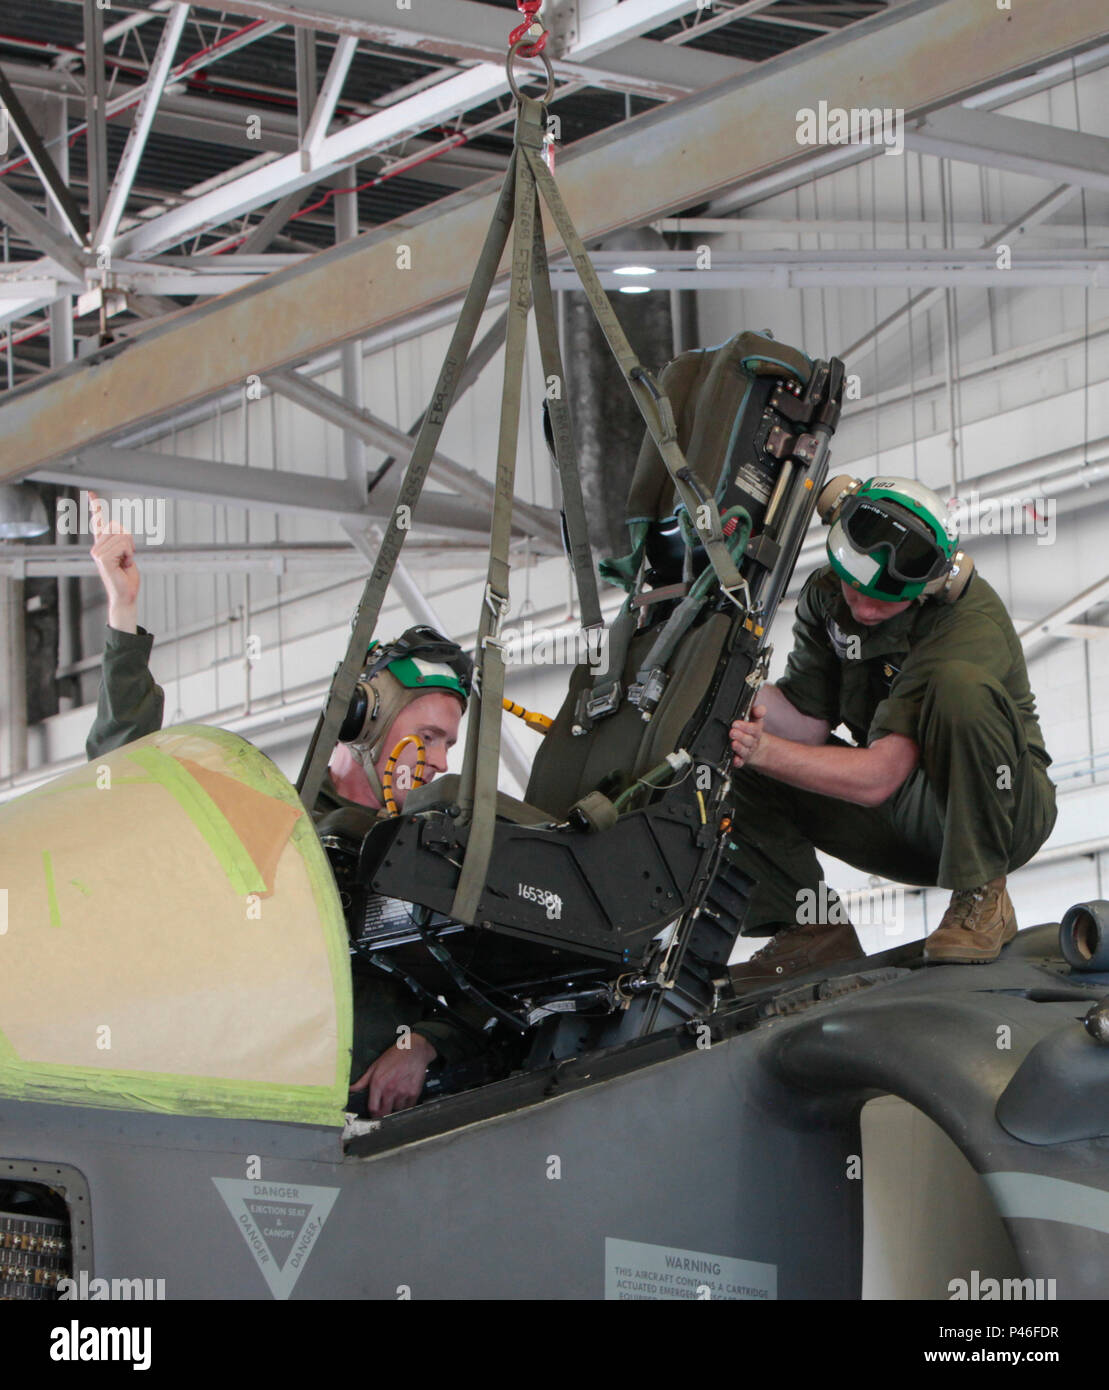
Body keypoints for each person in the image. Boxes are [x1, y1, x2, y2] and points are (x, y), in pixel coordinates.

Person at [85, 492, 487, 1118]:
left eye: (449, 744)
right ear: (366, 717)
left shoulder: (440, 849)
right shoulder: (281, 818)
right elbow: (129, 783)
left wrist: (426, 1044)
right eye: (427, 736)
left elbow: (501, 992)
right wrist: (124, 612)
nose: (439, 761)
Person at [725, 475, 1057, 989]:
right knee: (731, 757)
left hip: (1004, 815)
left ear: (930, 588)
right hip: (906, 821)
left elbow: (880, 775)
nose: (863, 608)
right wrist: (728, 685)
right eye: (854, 588)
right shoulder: (829, 597)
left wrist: (764, 749)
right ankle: (812, 932)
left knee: (960, 687)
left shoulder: (965, 623)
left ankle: (981, 893)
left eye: (883, 601)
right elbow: (807, 726)